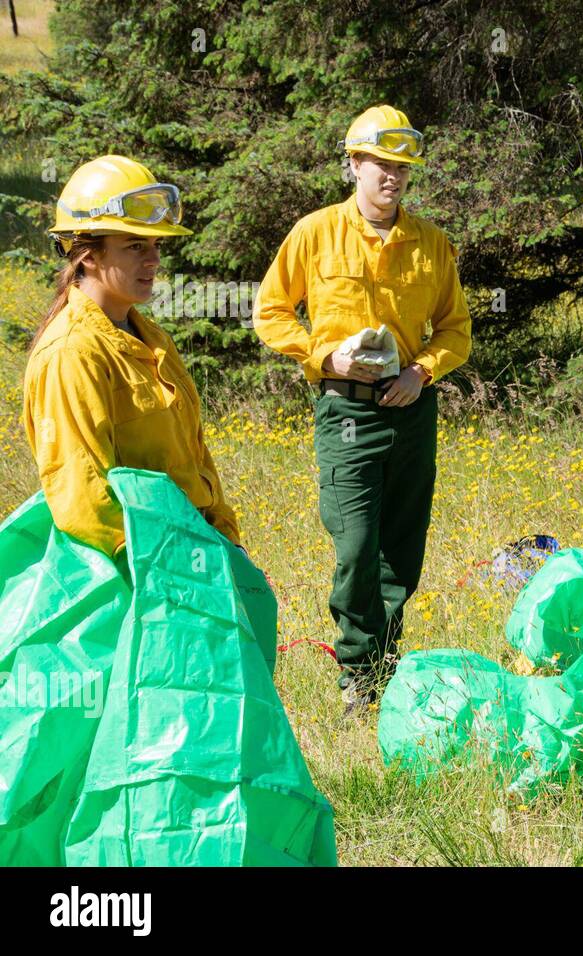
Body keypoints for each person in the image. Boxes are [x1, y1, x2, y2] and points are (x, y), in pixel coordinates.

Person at [254, 105, 471, 714]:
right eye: (379, 163)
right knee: (354, 544)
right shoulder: (314, 232)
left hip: (411, 411)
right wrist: (325, 357)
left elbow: (456, 329)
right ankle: (356, 666)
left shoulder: (432, 243)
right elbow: (270, 311)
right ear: (353, 164)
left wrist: (422, 370)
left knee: (402, 547)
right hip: (345, 413)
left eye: (402, 167)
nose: (392, 176)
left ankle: (382, 667)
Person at [24, 154, 240, 558]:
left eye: (156, 244)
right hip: (147, 574)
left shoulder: (153, 339)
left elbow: (194, 458)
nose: (154, 259)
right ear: (89, 254)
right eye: (135, 245)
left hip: (197, 554)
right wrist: (161, 569)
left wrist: (228, 543)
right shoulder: (72, 353)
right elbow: (85, 497)